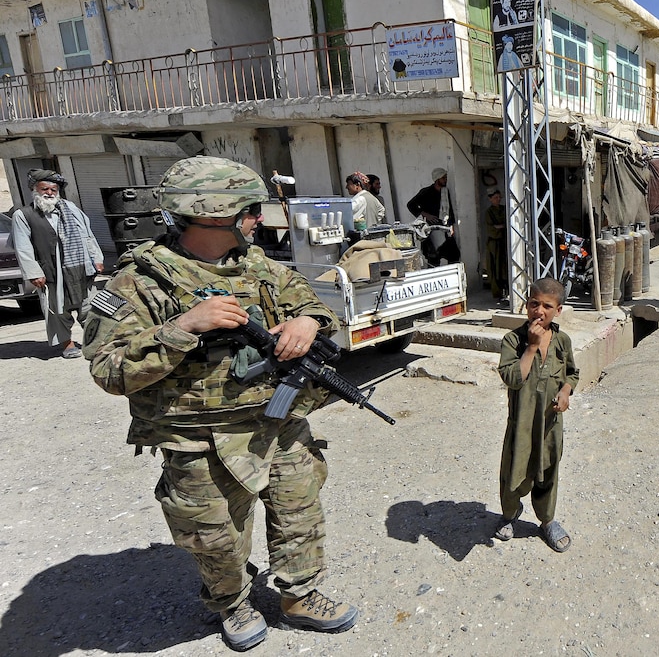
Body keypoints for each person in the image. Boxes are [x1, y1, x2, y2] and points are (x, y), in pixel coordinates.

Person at [82, 156, 359, 650]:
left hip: (278, 421)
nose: (259, 218)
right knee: (214, 533)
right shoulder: (138, 283)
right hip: (195, 436)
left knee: (299, 511)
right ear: (213, 214)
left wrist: (307, 323)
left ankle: (300, 595)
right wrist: (184, 327)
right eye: (252, 209)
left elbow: (313, 304)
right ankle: (232, 604)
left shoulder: (257, 266)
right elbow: (109, 370)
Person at [494, 277, 579, 552]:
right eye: (533, 304)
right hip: (521, 425)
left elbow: (571, 374)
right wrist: (530, 347)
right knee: (513, 472)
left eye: (547, 306)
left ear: (558, 310)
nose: (539, 311)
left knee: (548, 471)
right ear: (526, 306)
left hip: (550, 425)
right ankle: (509, 515)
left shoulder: (562, 342)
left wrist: (565, 393)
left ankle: (547, 520)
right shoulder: (513, 340)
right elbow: (512, 378)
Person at [11, 169, 104, 359]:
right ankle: (67, 344)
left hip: (81, 267)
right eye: (44, 189)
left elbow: (87, 234)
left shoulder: (70, 208)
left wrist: (97, 258)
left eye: (54, 189)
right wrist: (33, 272)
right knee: (58, 310)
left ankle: (96, 343)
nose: (50, 193)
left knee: (89, 307)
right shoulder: (23, 215)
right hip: (51, 271)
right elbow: (23, 246)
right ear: (34, 190)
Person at [407, 167, 460, 265]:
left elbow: (449, 210)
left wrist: (451, 225)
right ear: (437, 179)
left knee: (454, 256)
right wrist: (426, 214)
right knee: (434, 258)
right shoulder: (426, 192)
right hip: (431, 230)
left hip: (444, 228)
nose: (445, 180)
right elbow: (411, 205)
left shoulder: (445, 192)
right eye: (443, 178)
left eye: (445, 177)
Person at [484, 188, 507, 299]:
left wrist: (501, 226)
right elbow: (492, 228)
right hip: (494, 243)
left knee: (505, 268)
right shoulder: (489, 212)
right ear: (490, 199)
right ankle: (498, 292)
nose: (498, 200)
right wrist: (501, 226)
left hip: (504, 242)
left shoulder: (504, 209)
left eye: (499, 197)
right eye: (495, 198)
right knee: (495, 268)